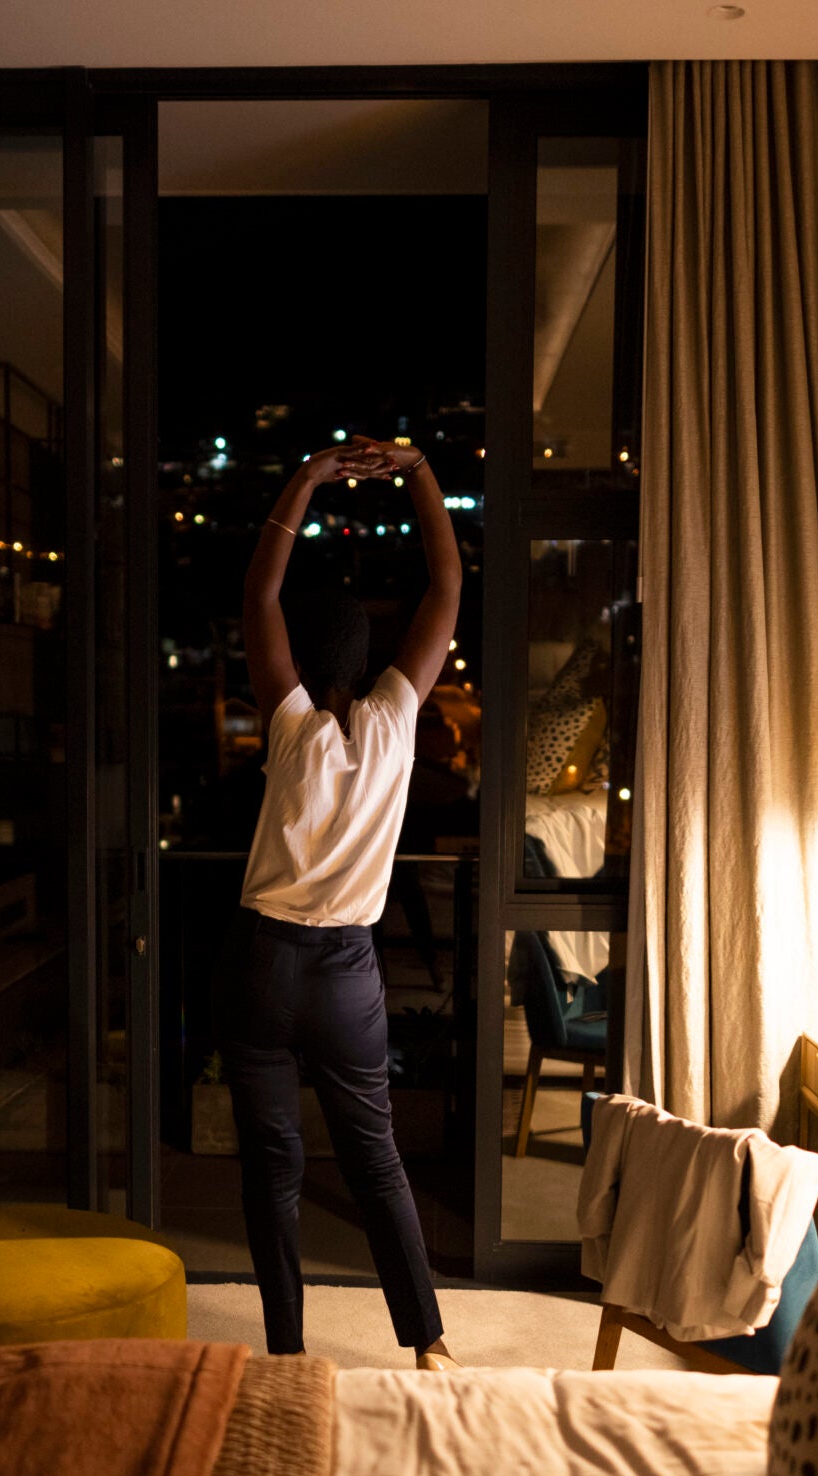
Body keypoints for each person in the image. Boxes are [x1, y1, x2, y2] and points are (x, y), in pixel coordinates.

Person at [221, 434, 463, 1370]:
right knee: (377, 1160)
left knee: (272, 1169)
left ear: (300, 664)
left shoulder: (292, 731)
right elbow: (443, 589)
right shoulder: (394, 725)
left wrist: (311, 477)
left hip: (262, 962)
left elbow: (259, 596)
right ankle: (429, 1342)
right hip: (348, 972)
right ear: (364, 662)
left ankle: (287, 1355)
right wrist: (418, 473)